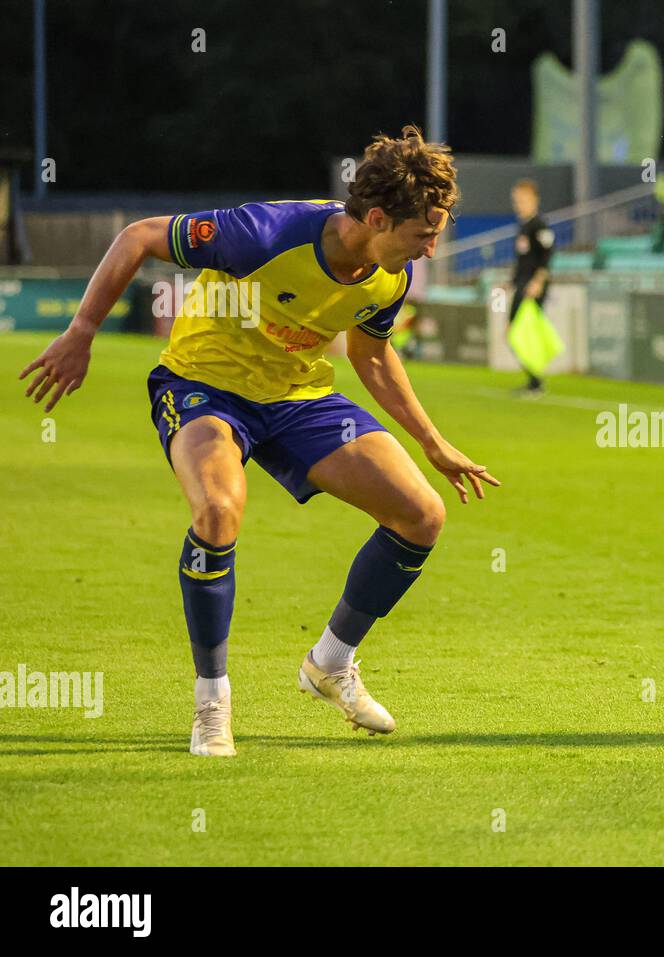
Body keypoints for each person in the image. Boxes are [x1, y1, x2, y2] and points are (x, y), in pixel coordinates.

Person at [19, 126, 500, 756]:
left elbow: (372, 356)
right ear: (377, 217)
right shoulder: (267, 233)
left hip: (298, 398)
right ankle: (213, 704)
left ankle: (329, 663)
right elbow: (137, 237)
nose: (431, 250)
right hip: (204, 386)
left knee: (421, 515)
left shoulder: (390, 274)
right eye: (422, 235)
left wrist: (434, 444)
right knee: (218, 511)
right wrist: (82, 330)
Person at [509, 178, 554, 395]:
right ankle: (533, 378)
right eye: (516, 200)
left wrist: (538, 281)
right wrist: (510, 281)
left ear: (534, 200)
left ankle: (536, 380)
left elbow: (547, 256)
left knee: (522, 332)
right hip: (521, 283)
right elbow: (522, 259)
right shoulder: (524, 226)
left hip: (532, 286)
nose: (518, 204)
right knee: (515, 332)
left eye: (523, 200)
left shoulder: (539, 225)